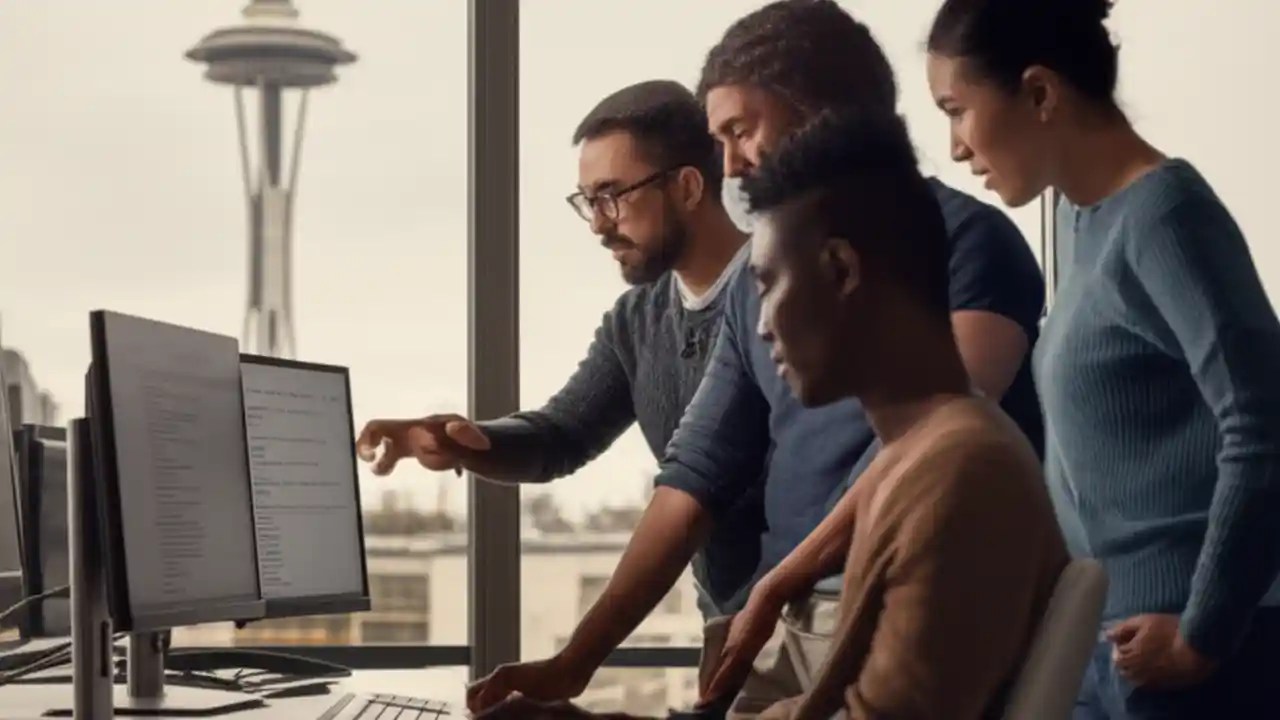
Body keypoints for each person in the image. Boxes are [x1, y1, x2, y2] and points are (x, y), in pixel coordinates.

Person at [465, 2, 1048, 716]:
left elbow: (928, 454)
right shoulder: (759, 275)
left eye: (740, 131)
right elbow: (694, 480)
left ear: (825, 111)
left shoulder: (964, 250)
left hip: (856, 596)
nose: (729, 166)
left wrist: (779, 583)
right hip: (789, 618)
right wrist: (574, 664)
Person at [925, 1, 1280, 717]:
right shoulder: (1083, 221)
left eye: (958, 110)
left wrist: (1202, 636)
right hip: (1113, 649)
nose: (956, 147)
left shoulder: (1166, 217)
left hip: (1196, 657)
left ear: (1040, 93)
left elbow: (1265, 425)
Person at [355, 80, 759, 621]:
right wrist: (466, 442)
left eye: (612, 197)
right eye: (588, 202)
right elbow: (562, 436)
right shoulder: (637, 320)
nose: (597, 224)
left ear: (687, 187)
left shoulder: (779, 292)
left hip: (819, 626)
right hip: (727, 624)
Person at [743, 108, 1066, 720]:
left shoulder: (958, 477)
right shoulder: (920, 457)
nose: (761, 326)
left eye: (768, 284)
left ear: (841, 270)